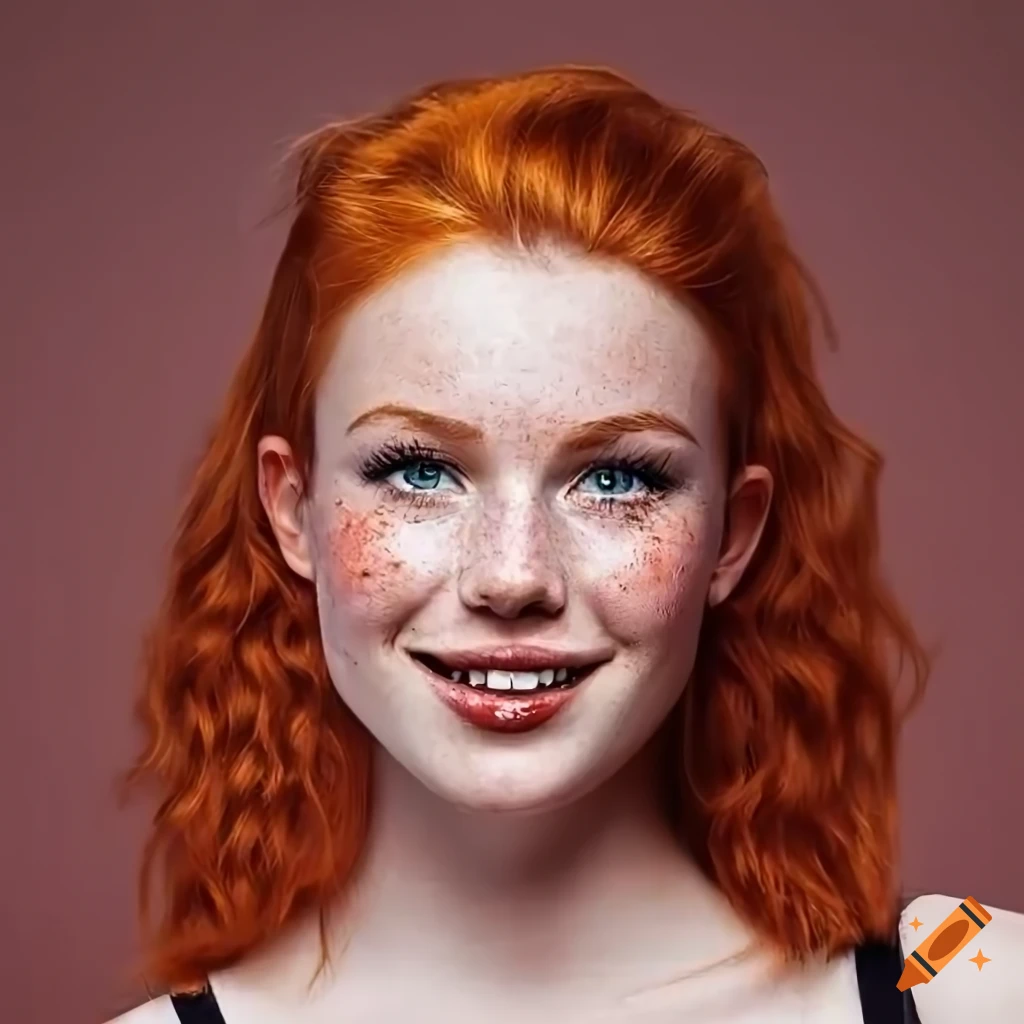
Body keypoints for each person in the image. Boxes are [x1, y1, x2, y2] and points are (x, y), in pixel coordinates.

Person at [107, 65, 1022, 1023]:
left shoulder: (974, 991)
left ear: (733, 535)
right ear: (292, 510)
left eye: (619, 478)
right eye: (420, 470)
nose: (512, 577)